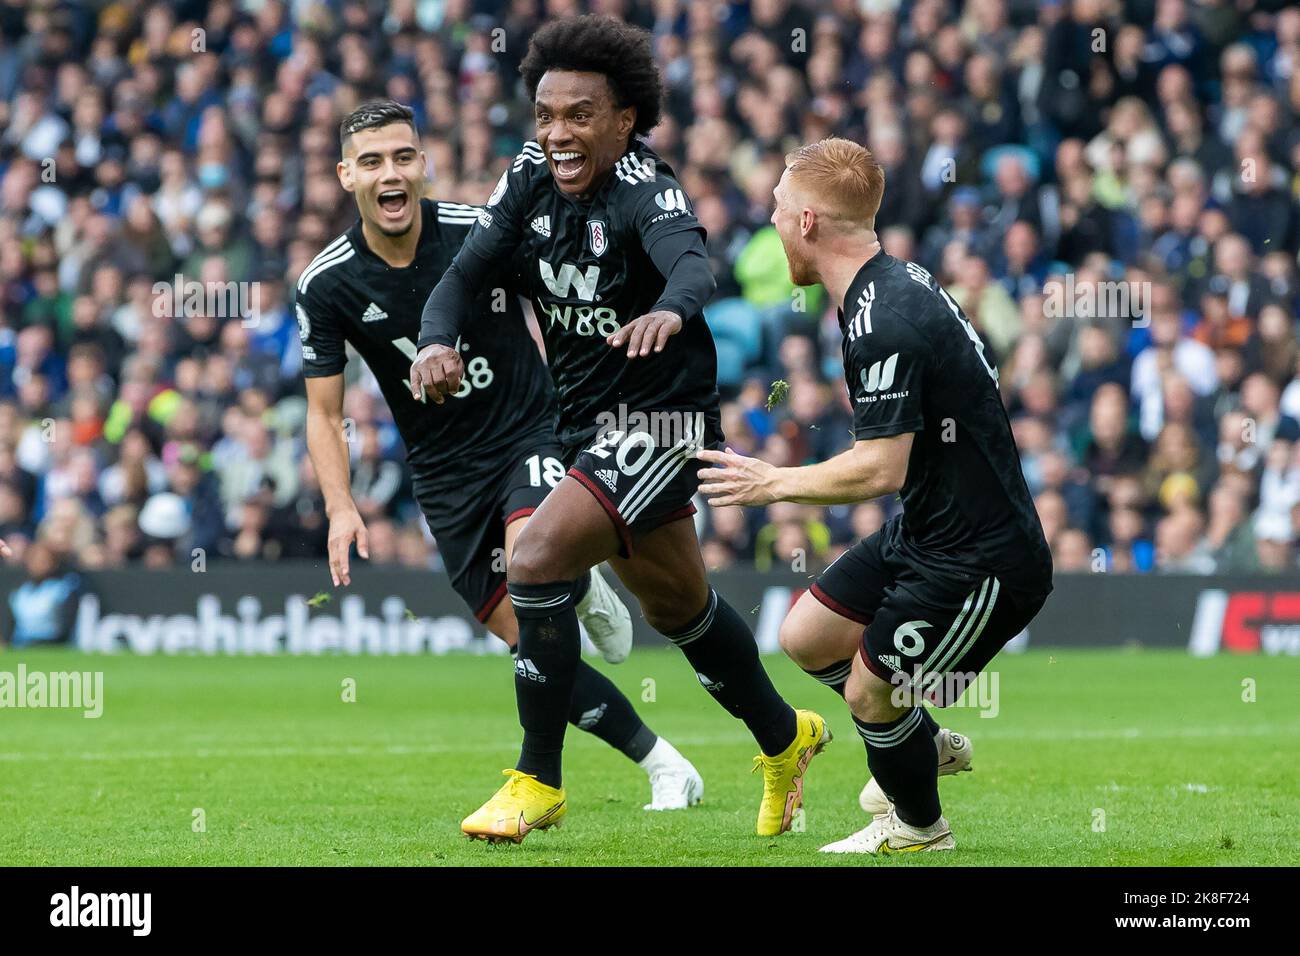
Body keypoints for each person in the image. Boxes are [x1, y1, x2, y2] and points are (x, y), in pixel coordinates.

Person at [411, 16, 828, 843]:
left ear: (624, 120)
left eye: (578, 115)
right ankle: (788, 738)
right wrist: (433, 340)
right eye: (545, 116)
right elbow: (461, 275)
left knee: (532, 557)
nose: (557, 134)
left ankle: (537, 779)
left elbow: (692, 265)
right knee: (680, 606)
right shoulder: (529, 176)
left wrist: (670, 313)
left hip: (659, 420)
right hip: (580, 422)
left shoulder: (646, 187)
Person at [297, 100, 702, 820]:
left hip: (528, 434)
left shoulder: (478, 233)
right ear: (345, 176)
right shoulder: (326, 283)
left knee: (531, 568)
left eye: (401, 157)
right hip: (444, 477)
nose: (389, 173)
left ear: (421, 165)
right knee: (532, 651)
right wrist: (339, 505)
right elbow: (325, 413)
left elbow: (568, 297)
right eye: (370, 161)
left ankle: (568, 579)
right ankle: (665, 763)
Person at [698, 138, 1053, 853]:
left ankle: (920, 829)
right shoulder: (888, 283)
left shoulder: (882, 315)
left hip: (981, 558)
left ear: (805, 223)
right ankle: (920, 743)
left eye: (775, 209)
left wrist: (774, 482)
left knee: (869, 694)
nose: (769, 220)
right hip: (930, 529)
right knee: (807, 637)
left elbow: (880, 470)